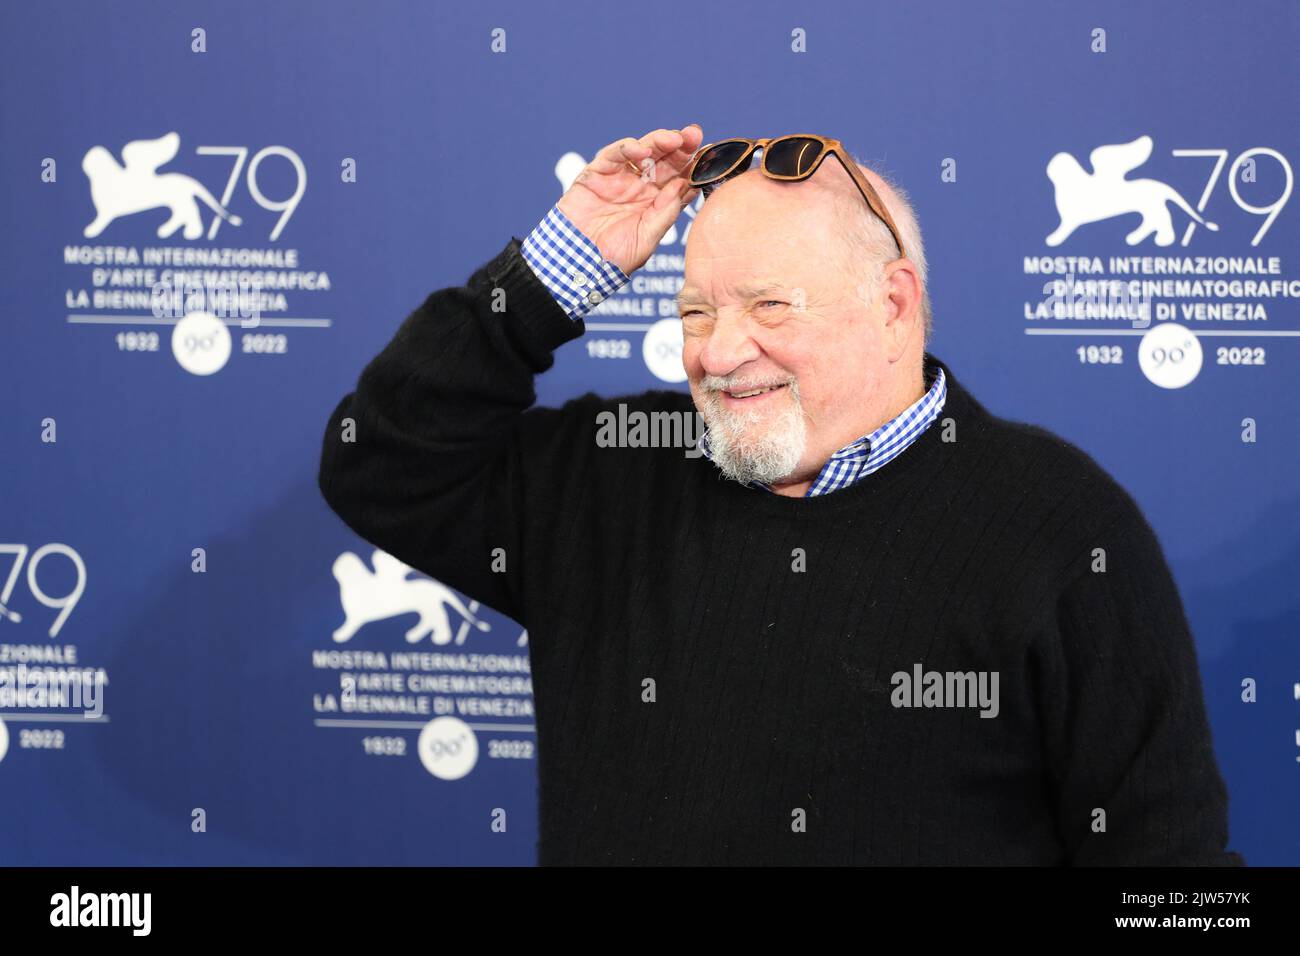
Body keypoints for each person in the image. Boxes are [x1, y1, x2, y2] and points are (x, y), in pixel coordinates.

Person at [318, 124, 1242, 866]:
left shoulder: (1064, 528)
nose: (718, 353)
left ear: (892, 304)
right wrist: (558, 266)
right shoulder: (610, 471)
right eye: (694, 312)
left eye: (770, 306)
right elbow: (381, 464)